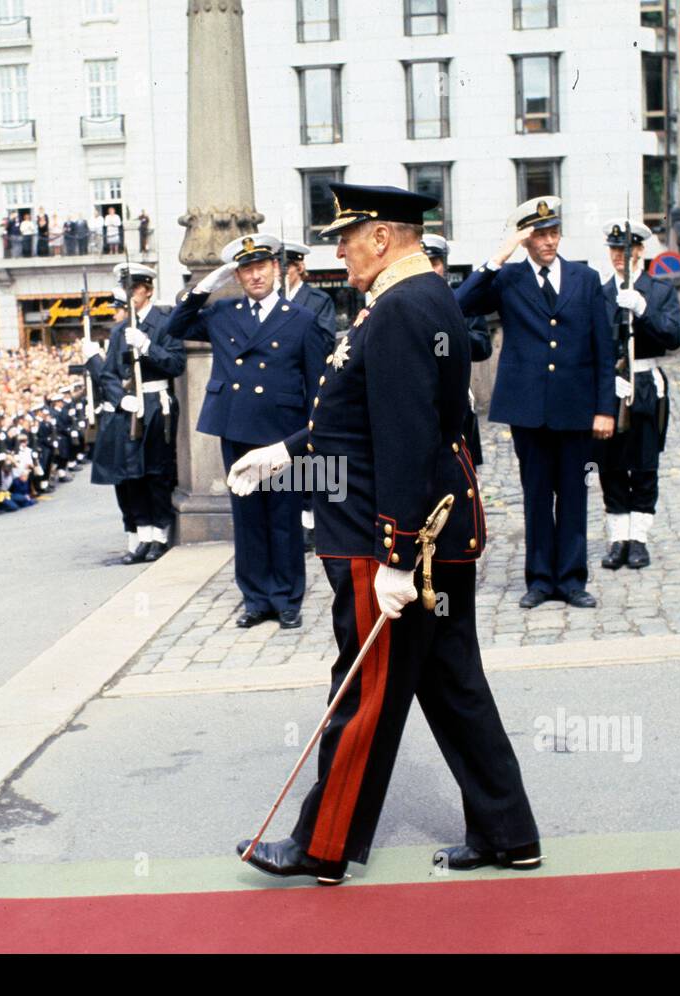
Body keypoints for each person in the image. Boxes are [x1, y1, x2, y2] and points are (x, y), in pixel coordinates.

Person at [226, 182, 541, 883]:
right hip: (428, 533)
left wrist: (396, 556)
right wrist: (288, 453)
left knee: (364, 694)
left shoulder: (400, 307)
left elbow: (406, 439)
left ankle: (323, 845)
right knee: (454, 684)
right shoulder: (419, 296)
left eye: (346, 238)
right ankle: (509, 832)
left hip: (389, 539)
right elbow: (364, 416)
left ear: (381, 236)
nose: (338, 252)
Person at [165, 232, 330, 628]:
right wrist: (206, 285)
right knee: (247, 516)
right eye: (246, 269)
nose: (255, 276)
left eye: (261, 267)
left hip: (283, 432)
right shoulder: (224, 314)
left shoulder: (301, 319)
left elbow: (316, 383)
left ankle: (287, 598)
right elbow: (176, 325)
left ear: (276, 269)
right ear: (236, 276)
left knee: (285, 516)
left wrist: (311, 436)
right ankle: (255, 598)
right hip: (237, 426)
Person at [456, 195, 614, 610]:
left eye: (554, 233)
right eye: (540, 235)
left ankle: (573, 579)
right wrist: (499, 256)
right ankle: (541, 579)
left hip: (576, 407)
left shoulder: (584, 278)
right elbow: (459, 304)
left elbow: (603, 346)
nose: (549, 241)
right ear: (526, 239)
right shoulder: (508, 278)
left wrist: (605, 409)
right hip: (528, 409)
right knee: (536, 496)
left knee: (575, 496)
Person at [596, 219, 680, 570]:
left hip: (647, 384)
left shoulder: (659, 291)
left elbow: (673, 336)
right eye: (614, 249)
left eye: (626, 248)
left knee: (645, 464)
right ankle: (618, 538)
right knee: (611, 465)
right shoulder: (599, 294)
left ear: (640, 250)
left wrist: (644, 310)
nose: (619, 255)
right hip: (611, 386)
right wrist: (607, 378)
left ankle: (639, 539)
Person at [90, 265, 185, 562]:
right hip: (132, 406)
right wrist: (122, 400)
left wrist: (146, 346)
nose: (130, 295)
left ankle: (160, 534)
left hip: (157, 403)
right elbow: (108, 374)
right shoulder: (120, 330)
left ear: (148, 290)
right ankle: (143, 535)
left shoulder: (164, 322)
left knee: (157, 471)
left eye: (135, 289)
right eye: (127, 289)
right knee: (134, 473)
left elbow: (176, 364)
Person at [281, 239, 338, 553]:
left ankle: (320, 520)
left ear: (299, 267)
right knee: (291, 454)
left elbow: (325, 338)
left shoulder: (317, 300)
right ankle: (301, 520)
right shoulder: (274, 301)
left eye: (287, 267)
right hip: (286, 386)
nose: (282, 274)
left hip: (313, 384)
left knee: (317, 452)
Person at [421, 232, 492, 467]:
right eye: (423, 262)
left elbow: (483, 346)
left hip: (455, 401)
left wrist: (452, 334)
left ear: (445, 265)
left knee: (463, 472)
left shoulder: (463, 300)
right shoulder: (400, 302)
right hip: (419, 403)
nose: (430, 270)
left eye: (435, 262)